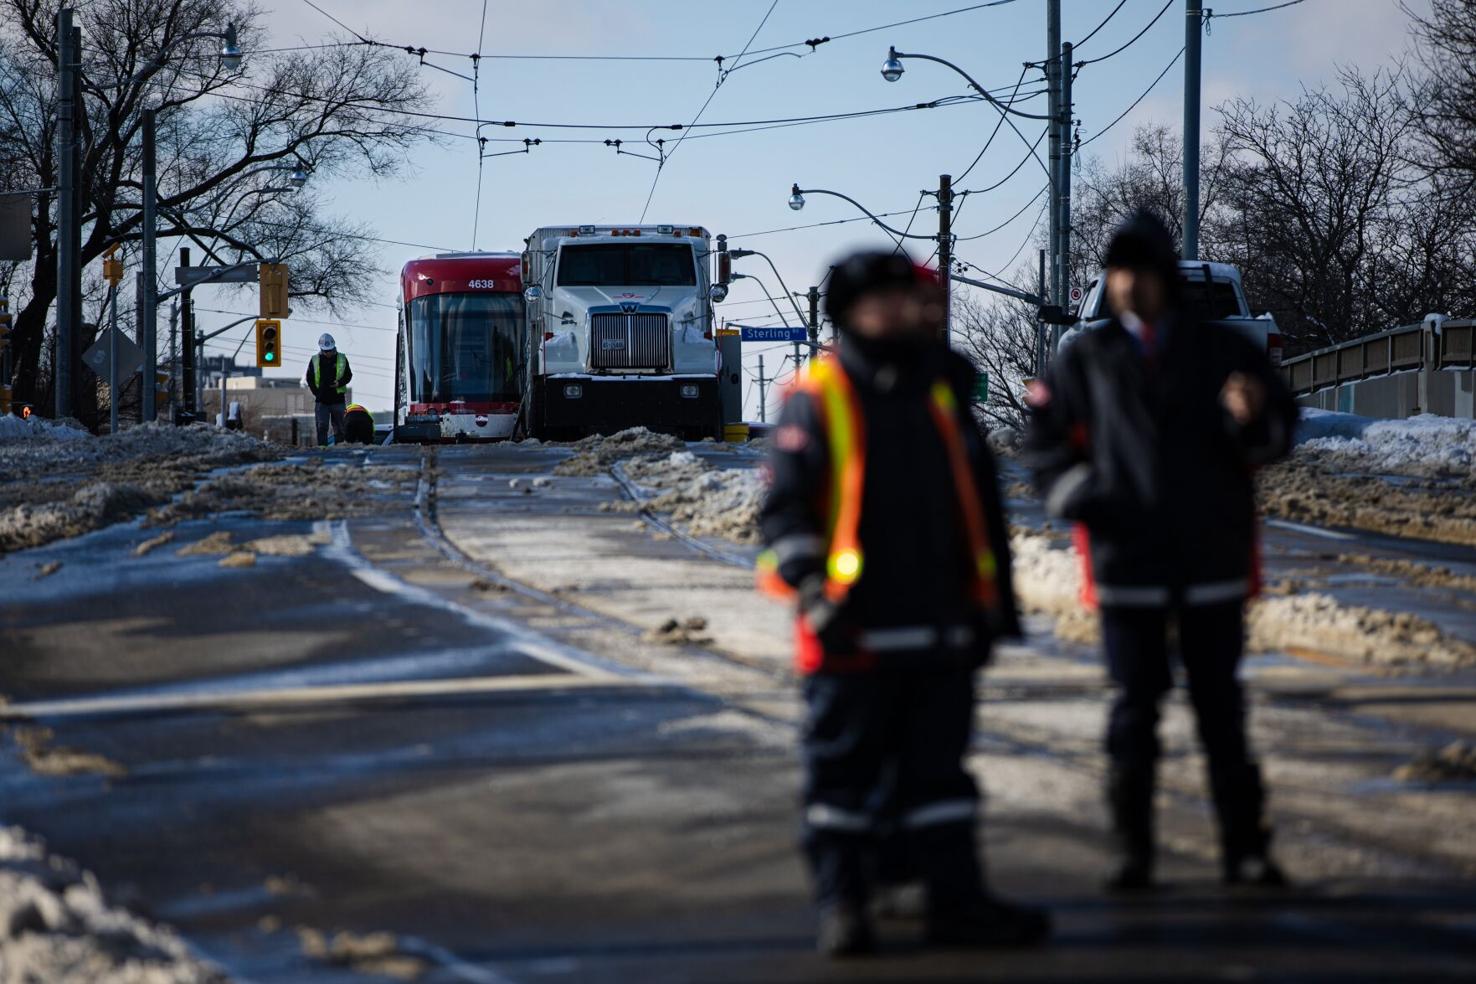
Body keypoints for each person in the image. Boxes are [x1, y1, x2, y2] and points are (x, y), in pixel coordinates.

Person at [758, 250, 1050, 957]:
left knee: (941, 780)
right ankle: (845, 905)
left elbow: (977, 508)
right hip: (851, 628)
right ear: (849, 314)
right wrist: (816, 595)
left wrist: (991, 612)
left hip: (941, 621)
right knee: (843, 780)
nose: (901, 309)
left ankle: (955, 902)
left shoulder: (940, 390)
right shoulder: (817, 395)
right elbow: (784, 513)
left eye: (904, 297)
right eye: (883, 300)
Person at [1023, 209, 1298, 892]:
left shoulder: (1221, 352)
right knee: (1134, 709)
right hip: (1128, 563)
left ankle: (1246, 849)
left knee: (1220, 712)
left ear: (1163, 278)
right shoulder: (1086, 357)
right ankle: (1132, 852)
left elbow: (1278, 432)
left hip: (1210, 557)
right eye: (1118, 273)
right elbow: (1044, 451)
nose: (1128, 286)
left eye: (1140, 272)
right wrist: (1087, 495)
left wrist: (1251, 419)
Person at [305, 333, 352, 446]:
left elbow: (348, 375)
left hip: (338, 400)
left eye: (330, 350)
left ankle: (340, 449)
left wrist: (339, 383)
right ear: (321, 349)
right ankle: (323, 449)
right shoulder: (315, 360)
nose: (328, 353)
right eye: (326, 351)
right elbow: (309, 378)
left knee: (340, 428)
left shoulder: (341, 358)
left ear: (334, 347)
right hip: (322, 401)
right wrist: (317, 393)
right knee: (322, 427)